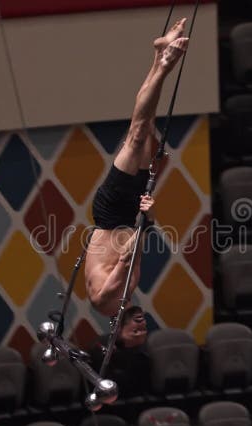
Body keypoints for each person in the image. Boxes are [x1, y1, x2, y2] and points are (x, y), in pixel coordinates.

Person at [85, 18, 189, 347]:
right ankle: (160, 56)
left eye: (136, 332)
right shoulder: (127, 299)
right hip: (129, 214)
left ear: (117, 331)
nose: (142, 325)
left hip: (113, 210)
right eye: (144, 330)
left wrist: (144, 225)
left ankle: (166, 62)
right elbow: (136, 243)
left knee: (137, 133)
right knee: (147, 128)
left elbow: (127, 257)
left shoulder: (107, 301)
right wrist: (149, 217)